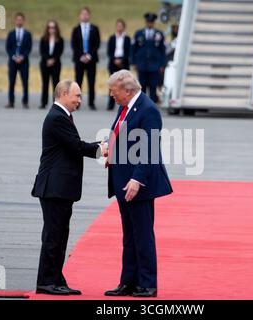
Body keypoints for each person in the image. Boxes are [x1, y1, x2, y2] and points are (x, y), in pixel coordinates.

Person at [32, 80, 107, 295]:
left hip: (59, 188)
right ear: (64, 94)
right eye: (77, 96)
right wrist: (101, 148)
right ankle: (47, 282)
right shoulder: (57, 117)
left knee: (59, 235)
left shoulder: (61, 116)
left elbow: (73, 145)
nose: (79, 100)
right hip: (54, 188)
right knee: (53, 236)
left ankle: (55, 278)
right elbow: (76, 146)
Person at [103, 70, 173, 298]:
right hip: (122, 180)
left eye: (113, 91)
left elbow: (150, 149)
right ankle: (128, 282)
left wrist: (136, 179)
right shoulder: (125, 106)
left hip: (137, 184)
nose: (111, 95)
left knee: (142, 235)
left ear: (127, 90)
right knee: (129, 236)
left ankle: (148, 284)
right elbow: (119, 133)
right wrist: (111, 152)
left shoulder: (148, 110)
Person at [131, 13, 166, 103]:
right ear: (145, 22)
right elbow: (133, 49)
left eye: (151, 22)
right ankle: (142, 107)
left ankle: (151, 107)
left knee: (153, 87)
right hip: (142, 65)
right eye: (148, 22)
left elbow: (163, 50)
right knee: (142, 88)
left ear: (154, 23)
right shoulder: (139, 33)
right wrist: (133, 62)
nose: (149, 24)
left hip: (154, 66)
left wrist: (162, 64)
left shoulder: (159, 34)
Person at [71, 7, 101, 110]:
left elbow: (97, 43)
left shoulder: (94, 28)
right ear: (80, 16)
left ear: (89, 16)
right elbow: (74, 44)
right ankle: (77, 103)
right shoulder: (76, 29)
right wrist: (81, 56)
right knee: (78, 82)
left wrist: (89, 55)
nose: (84, 16)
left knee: (91, 81)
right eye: (83, 14)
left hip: (91, 59)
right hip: (79, 59)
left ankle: (91, 102)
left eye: (86, 14)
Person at [5, 12, 32, 109]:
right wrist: (13, 56)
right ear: (15, 21)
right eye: (17, 19)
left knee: (25, 82)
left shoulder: (27, 34)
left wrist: (22, 57)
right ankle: (11, 101)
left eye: (21, 20)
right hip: (13, 62)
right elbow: (8, 47)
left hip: (24, 62)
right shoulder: (11, 34)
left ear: (23, 21)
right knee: (12, 81)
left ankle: (25, 102)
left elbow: (29, 48)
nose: (19, 21)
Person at [39, 20, 64, 109]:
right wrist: (47, 60)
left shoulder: (60, 39)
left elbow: (60, 51)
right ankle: (43, 102)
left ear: (56, 28)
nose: (51, 29)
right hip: (45, 63)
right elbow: (42, 51)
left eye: (53, 27)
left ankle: (56, 103)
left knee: (55, 84)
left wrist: (53, 60)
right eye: (49, 27)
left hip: (56, 64)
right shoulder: (43, 39)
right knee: (45, 83)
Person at [107, 19, 131, 111]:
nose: (119, 28)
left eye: (121, 26)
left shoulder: (127, 38)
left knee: (124, 85)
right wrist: (114, 59)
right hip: (113, 62)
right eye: (118, 26)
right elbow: (109, 51)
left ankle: (125, 104)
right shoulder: (112, 38)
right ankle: (111, 104)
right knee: (112, 84)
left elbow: (128, 51)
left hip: (123, 63)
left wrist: (121, 60)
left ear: (124, 27)